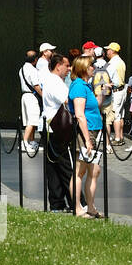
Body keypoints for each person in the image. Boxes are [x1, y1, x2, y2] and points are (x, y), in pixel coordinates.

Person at [41, 51, 75, 212]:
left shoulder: (50, 80)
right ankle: (76, 202)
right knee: (66, 167)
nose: (69, 69)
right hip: (57, 129)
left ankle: (57, 203)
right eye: (67, 66)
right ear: (58, 66)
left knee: (53, 167)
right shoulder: (55, 82)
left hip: (49, 127)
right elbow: (67, 100)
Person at [69, 57, 103, 218]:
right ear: (83, 68)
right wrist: (87, 140)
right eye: (91, 65)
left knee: (94, 170)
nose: (94, 67)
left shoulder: (86, 86)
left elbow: (95, 105)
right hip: (85, 133)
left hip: (93, 131)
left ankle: (90, 206)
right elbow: (79, 114)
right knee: (80, 171)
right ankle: (77, 208)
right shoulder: (78, 86)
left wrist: (102, 92)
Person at [19, 48, 43, 155]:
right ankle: (24, 142)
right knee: (32, 120)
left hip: (24, 95)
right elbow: (36, 85)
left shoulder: (22, 69)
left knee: (30, 120)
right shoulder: (33, 70)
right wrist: (43, 95)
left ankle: (32, 142)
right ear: (35, 60)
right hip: (31, 96)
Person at [104, 42, 128, 146]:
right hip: (122, 90)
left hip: (116, 91)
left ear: (112, 51)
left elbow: (107, 77)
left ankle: (117, 138)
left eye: (108, 50)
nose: (107, 52)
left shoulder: (112, 63)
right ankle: (121, 136)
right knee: (121, 115)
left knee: (116, 115)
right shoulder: (121, 61)